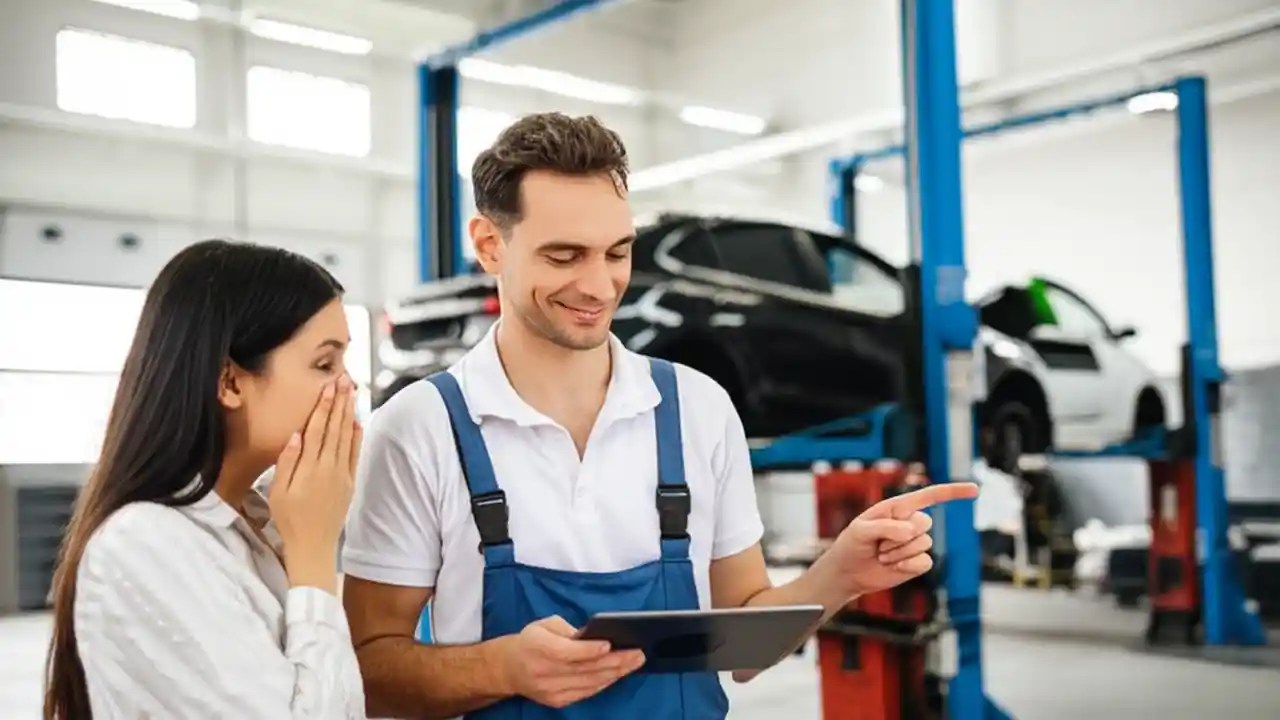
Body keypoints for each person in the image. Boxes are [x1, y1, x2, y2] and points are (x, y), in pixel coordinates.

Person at [340, 112, 978, 719]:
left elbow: (746, 641)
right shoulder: (419, 430)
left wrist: (841, 573)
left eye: (617, 253)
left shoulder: (696, 409)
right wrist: (500, 669)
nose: (599, 287)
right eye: (564, 257)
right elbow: (368, 673)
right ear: (489, 244)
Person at [42, 240, 367, 719]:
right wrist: (315, 555)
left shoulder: (260, 522)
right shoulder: (144, 544)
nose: (349, 386)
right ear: (230, 381)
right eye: (325, 363)